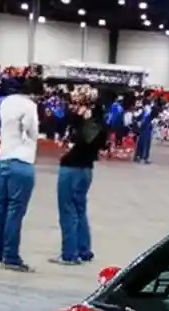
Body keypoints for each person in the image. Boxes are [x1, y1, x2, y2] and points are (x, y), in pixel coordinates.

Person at [0, 78, 39, 272]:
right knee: (15, 210)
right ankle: (11, 256)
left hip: (2, 158)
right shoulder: (29, 106)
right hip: (21, 160)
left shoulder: (5, 103)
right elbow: (31, 131)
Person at [53, 87, 107, 266]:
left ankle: (69, 253)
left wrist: (81, 119)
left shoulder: (86, 122)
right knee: (80, 209)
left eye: (76, 103)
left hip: (73, 168)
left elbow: (84, 140)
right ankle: (84, 249)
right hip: (86, 169)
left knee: (68, 210)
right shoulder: (99, 120)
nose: (73, 107)